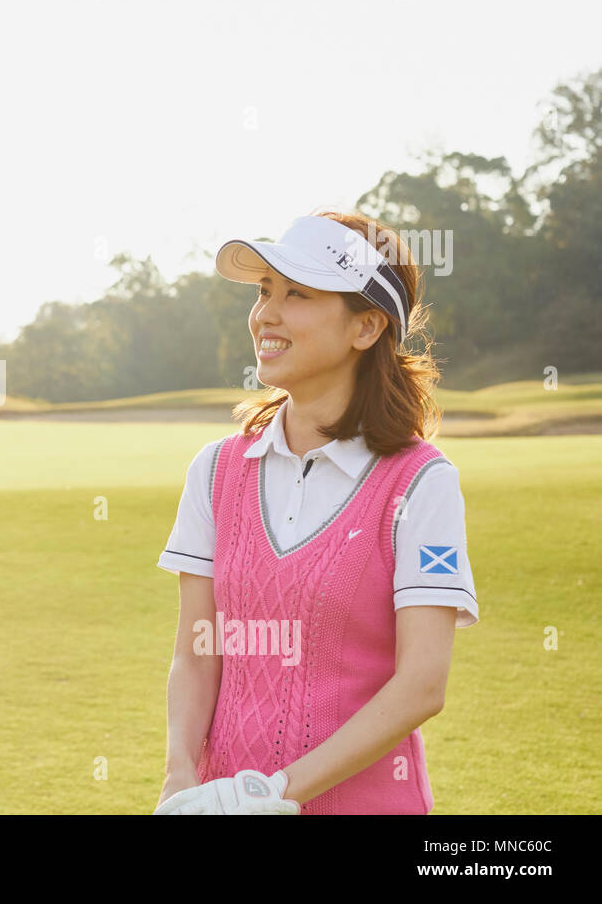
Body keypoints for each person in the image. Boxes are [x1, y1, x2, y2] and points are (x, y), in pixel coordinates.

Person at [153, 211, 478, 814]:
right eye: (263, 292)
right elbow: (198, 652)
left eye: (297, 293)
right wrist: (180, 776)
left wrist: (275, 793)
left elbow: (422, 685)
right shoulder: (217, 470)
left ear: (366, 327)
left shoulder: (421, 483)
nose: (265, 315)